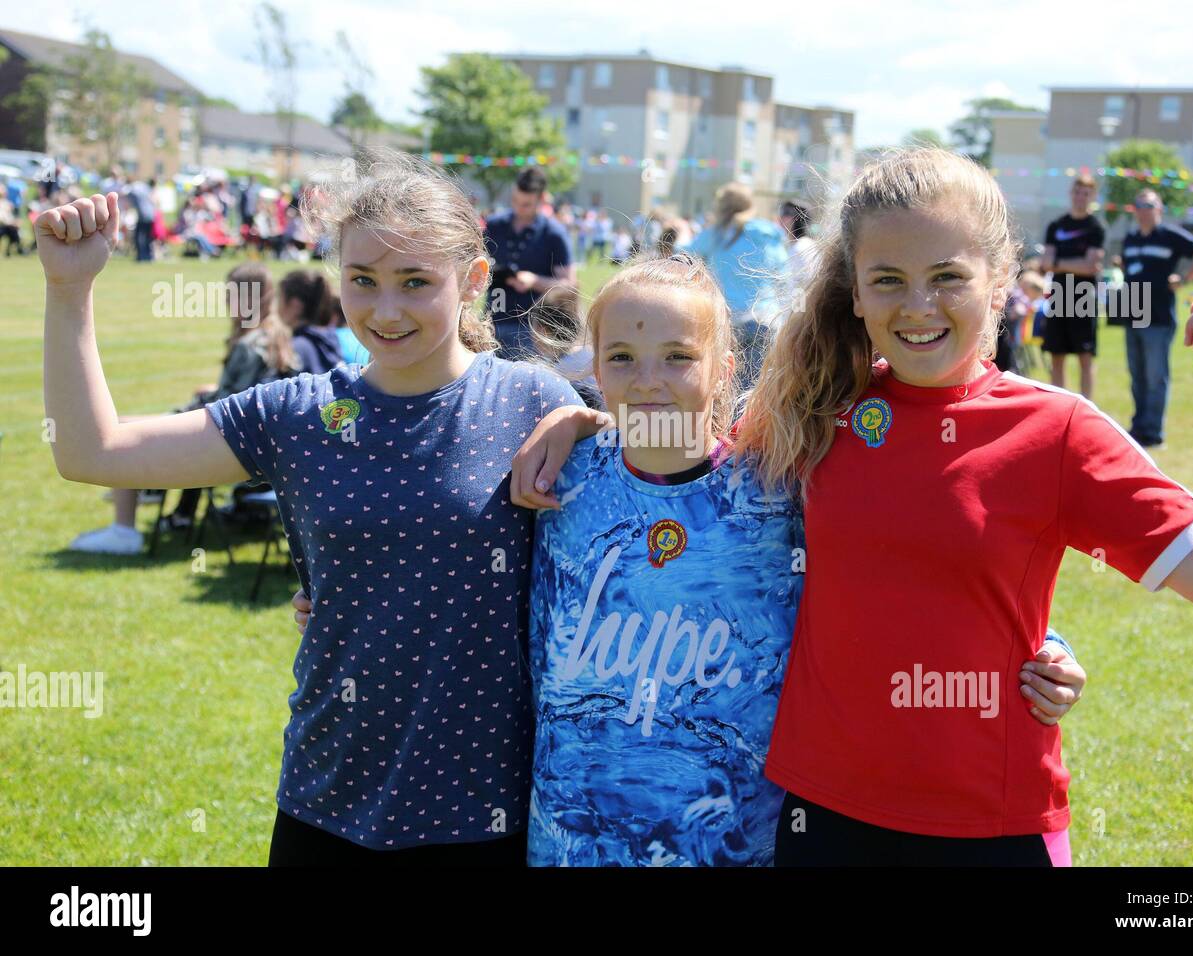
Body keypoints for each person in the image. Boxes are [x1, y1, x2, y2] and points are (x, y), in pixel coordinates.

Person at [305, 255, 1088, 865]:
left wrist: (1038, 649)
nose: (648, 382)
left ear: (721, 371)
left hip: (733, 839)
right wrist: (333, 593)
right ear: (594, 369)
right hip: (574, 839)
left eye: (677, 357)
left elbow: (902, 575)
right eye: (622, 359)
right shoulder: (558, 476)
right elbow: (450, 549)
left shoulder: (780, 486)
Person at [722, 147, 1193, 866]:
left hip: (994, 830)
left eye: (948, 278)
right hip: (823, 819)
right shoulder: (814, 407)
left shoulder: (1057, 431)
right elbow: (678, 480)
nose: (918, 306)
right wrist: (576, 427)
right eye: (887, 280)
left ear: (1000, 284)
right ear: (854, 291)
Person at [37, 150, 585, 864]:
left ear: (474, 281)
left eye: (415, 282)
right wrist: (68, 290)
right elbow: (93, 453)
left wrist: (596, 424)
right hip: (329, 801)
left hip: (484, 811)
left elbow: (673, 489)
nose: (385, 310)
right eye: (362, 281)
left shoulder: (533, 404)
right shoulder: (299, 414)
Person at [67, 263, 299, 553]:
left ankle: (125, 529)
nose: (226, 303)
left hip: (227, 438)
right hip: (252, 441)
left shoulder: (250, 344)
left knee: (121, 428)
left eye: (231, 295)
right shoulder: (278, 336)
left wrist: (202, 402)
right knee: (127, 426)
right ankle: (146, 494)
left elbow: (234, 408)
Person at [1118, 189, 1193, 449]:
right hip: (1133, 315)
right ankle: (1139, 427)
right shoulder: (1129, 239)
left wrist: (1184, 278)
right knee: (1137, 375)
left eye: (1149, 205)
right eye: (1139, 204)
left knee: (1155, 376)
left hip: (1159, 317)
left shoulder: (1169, 236)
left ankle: (1153, 433)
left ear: (1159, 209)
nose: (1144, 209)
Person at [685, 183, 788, 392]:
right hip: (766, 318)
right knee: (762, 390)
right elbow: (784, 274)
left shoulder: (715, 234)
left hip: (729, 320)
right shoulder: (768, 233)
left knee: (728, 389)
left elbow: (683, 255)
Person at [483, 167, 576, 361]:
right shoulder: (494, 225)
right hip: (491, 322)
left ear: (541, 199)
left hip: (531, 330)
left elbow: (568, 284)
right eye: (515, 201)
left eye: (526, 204)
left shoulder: (553, 234)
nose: (518, 208)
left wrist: (534, 281)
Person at [1041, 175, 1105, 399]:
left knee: (1084, 356)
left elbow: (1090, 267)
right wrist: (1074, 264)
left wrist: (1059, 263)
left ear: (1092, 197)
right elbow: (1046, 263)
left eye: (1085, 194)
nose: (1080, 197)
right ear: (1071, 194)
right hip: (1058, 296)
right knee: (1057, 356)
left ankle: (1086, 407)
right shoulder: (1056, 226)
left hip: (1083, 298)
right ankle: (1059, 404)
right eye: (1077, 192)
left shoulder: (1095, 228)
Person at [279, 270, 343, 374]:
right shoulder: (330, 338)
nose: (278, 307)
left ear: (295, 305)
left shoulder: (297, 348)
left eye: (280, 298)